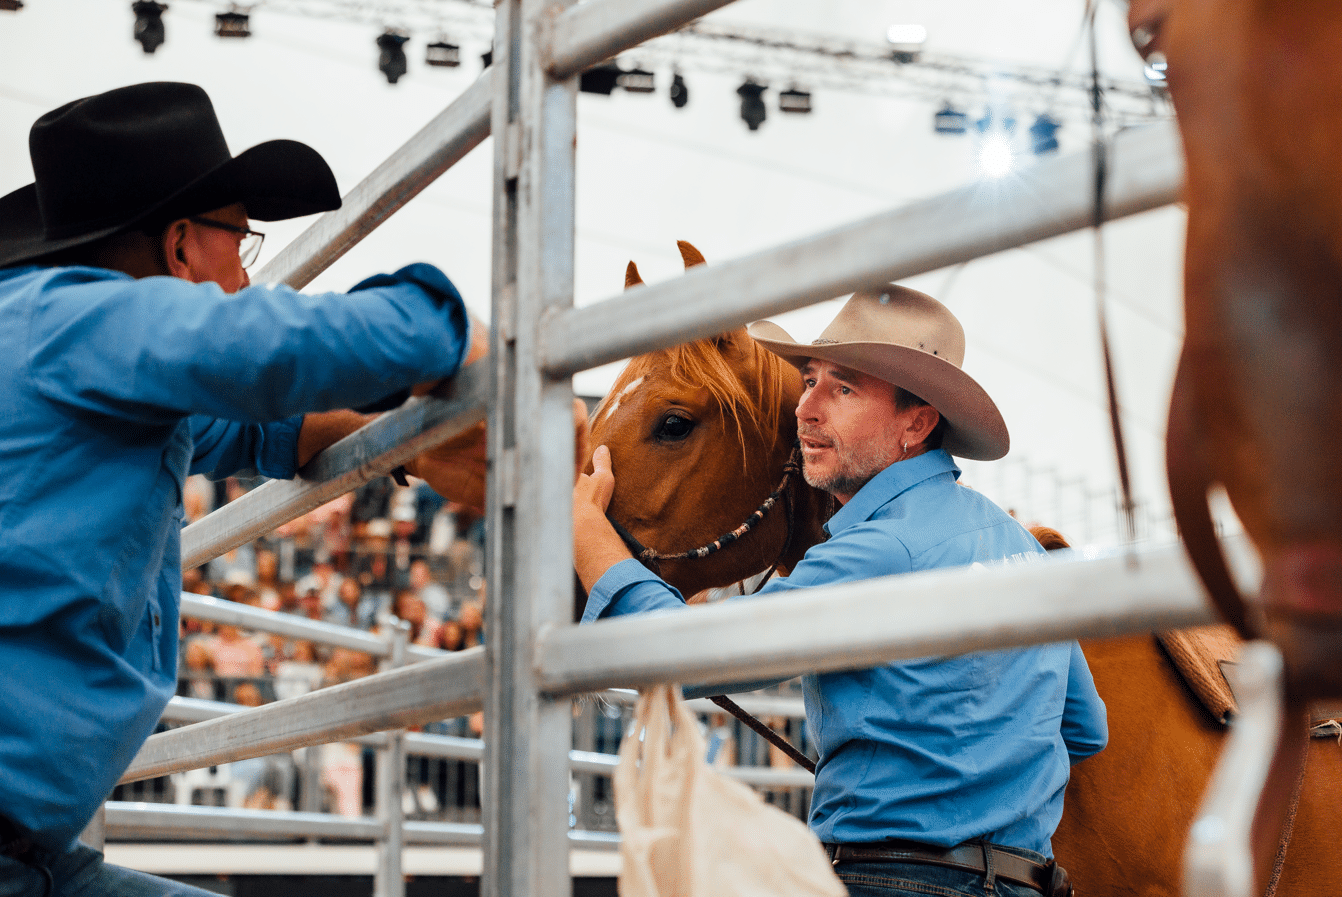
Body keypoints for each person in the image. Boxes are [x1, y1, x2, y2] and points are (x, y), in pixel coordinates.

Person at [0, 81, 488, 896]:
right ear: (183, 247)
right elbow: (287, 348)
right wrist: (445, 323)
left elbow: (257, 428)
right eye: (241, 237)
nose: (245, 269)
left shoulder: (55, 338)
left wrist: (410, 443)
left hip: (30, 852)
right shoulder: (90, 321)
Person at [573, 286, 1108, 897]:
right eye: (810, 380)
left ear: (918, 422)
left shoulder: (874, 552)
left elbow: (671, 659)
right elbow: (1086, 729)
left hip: (890, 880)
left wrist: (591, 536)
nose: (806, 408)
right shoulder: (1022, 546)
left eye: (844, 388)